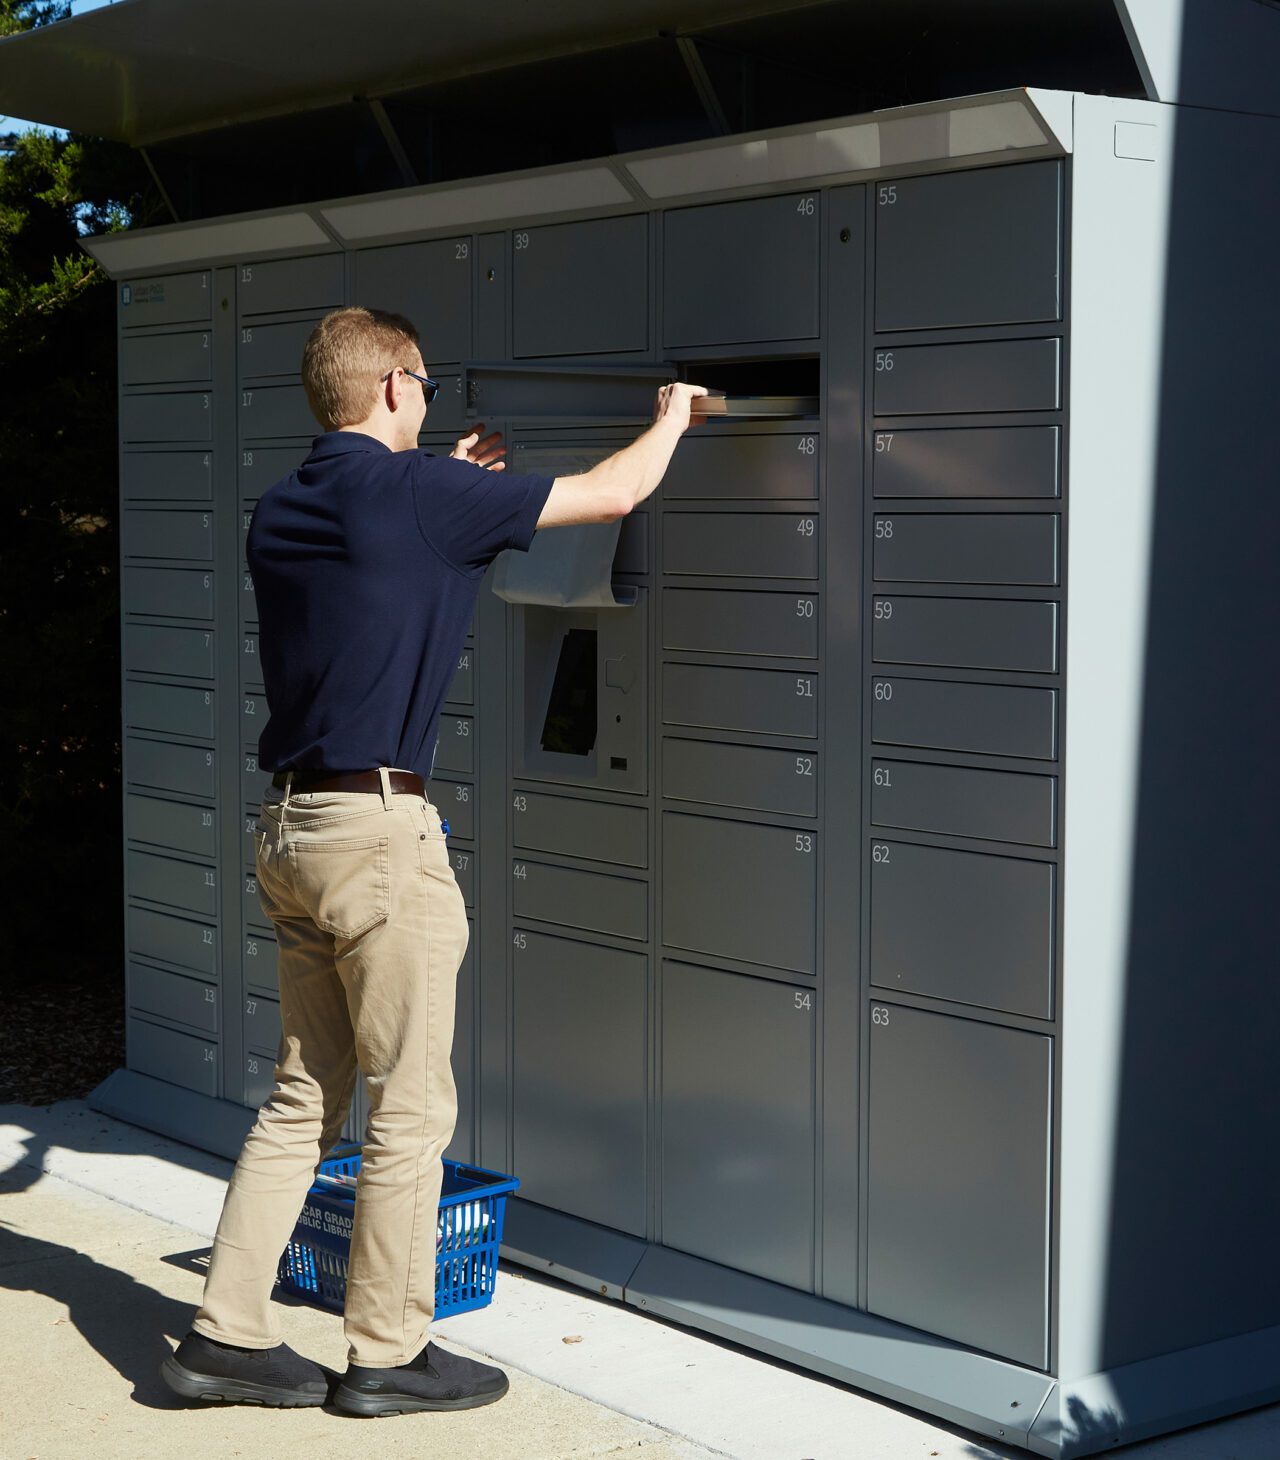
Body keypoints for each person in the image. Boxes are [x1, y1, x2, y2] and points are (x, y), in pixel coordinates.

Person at [159, 305, 706, 1417]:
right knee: (410, 1108)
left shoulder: (292, 505)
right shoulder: (419, 499)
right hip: (377, 841)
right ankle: (386, 1351)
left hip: (294, 832)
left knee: (304, 1094)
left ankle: (223, 1334)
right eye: (425, 381)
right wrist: (675, 416)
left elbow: (384, 554)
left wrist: (449, 475)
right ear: (399, 384)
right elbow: (612, 493)